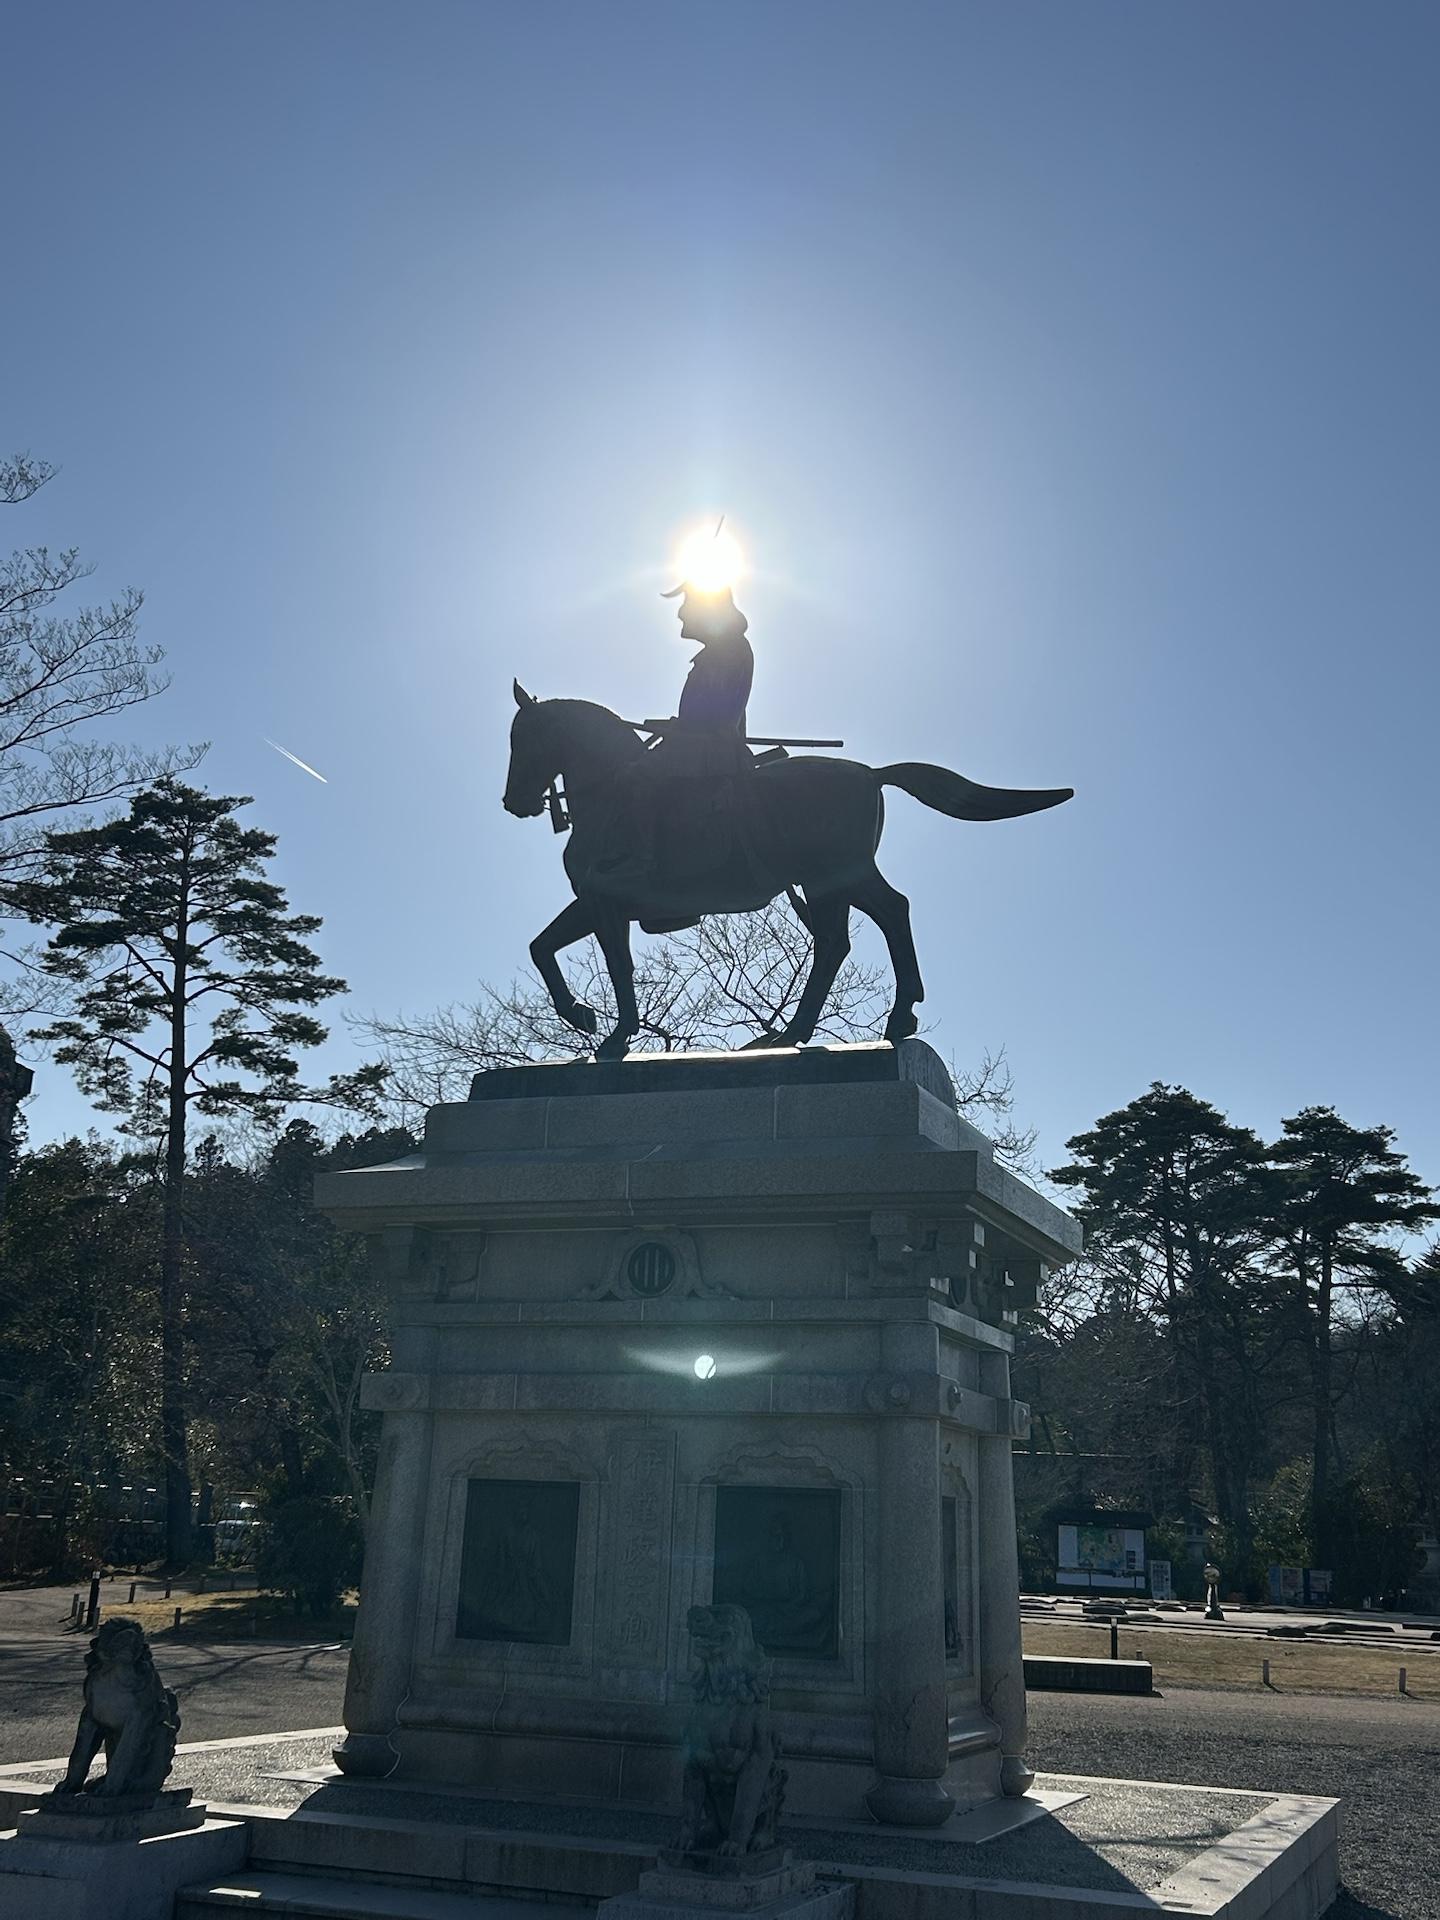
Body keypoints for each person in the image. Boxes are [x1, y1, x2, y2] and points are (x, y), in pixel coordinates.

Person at [595, 581, 756, 891]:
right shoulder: (722, 650)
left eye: (686, 609)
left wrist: (683, 728)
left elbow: (716, 709)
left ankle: (642, 859)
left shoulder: (728, 650)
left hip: (710, 748)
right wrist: (678, 726)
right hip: (701, 742)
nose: (681, 616)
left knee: (636, 777)